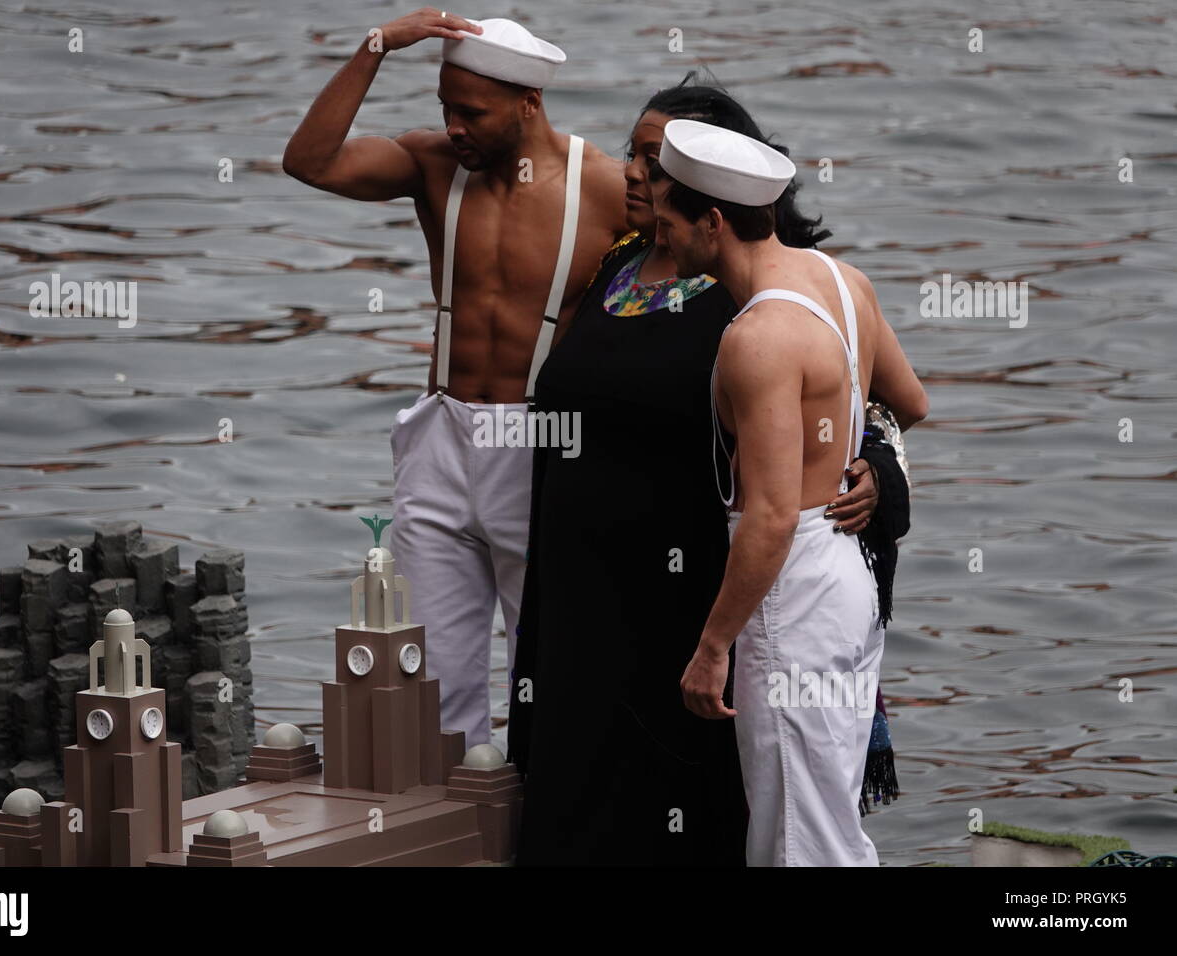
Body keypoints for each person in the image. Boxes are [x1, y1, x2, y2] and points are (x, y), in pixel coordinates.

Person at [506, 78, 882, 866]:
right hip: (589, 596)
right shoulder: (615, 263)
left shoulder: (764, 299)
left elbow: (859, 402)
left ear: (711, 210)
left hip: (708, 589)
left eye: (657, 164)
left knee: (765, 816)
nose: (637, 176)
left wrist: (876, 466)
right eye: (635, 155)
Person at [282, 10, 628, 748]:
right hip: (440, 434)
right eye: (445, 106)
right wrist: (376, 46)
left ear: (528, 104)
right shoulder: (433, 164)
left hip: (542, 442)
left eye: (471, 111)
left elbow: (718, 274)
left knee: (550, 666)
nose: (454, 125)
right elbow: (309, 162)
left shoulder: (605, 189)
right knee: (430, 674)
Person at [657, 119, 929, 866]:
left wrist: (713, 649)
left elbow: (771, 516)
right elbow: (911, 400)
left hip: (793, 588)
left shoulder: (759, 336)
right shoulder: (844, 282)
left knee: (798, 837)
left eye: (670, 225)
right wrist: (867, 456)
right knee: (827, 816)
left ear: (713, 222)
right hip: (851, 575)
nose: (664, 242)